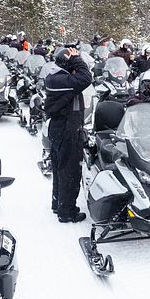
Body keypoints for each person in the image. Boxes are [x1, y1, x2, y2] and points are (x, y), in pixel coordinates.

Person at [44, 47, 93, 222]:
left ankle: (58, 204)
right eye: (71, 64)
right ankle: (67, 211)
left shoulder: (57, 77)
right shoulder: (62, 79)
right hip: (66, 129)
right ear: (67, 63)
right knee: (70, 170)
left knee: (60, 168)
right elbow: (86, 78)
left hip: (61, 127)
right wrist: (77, 59)